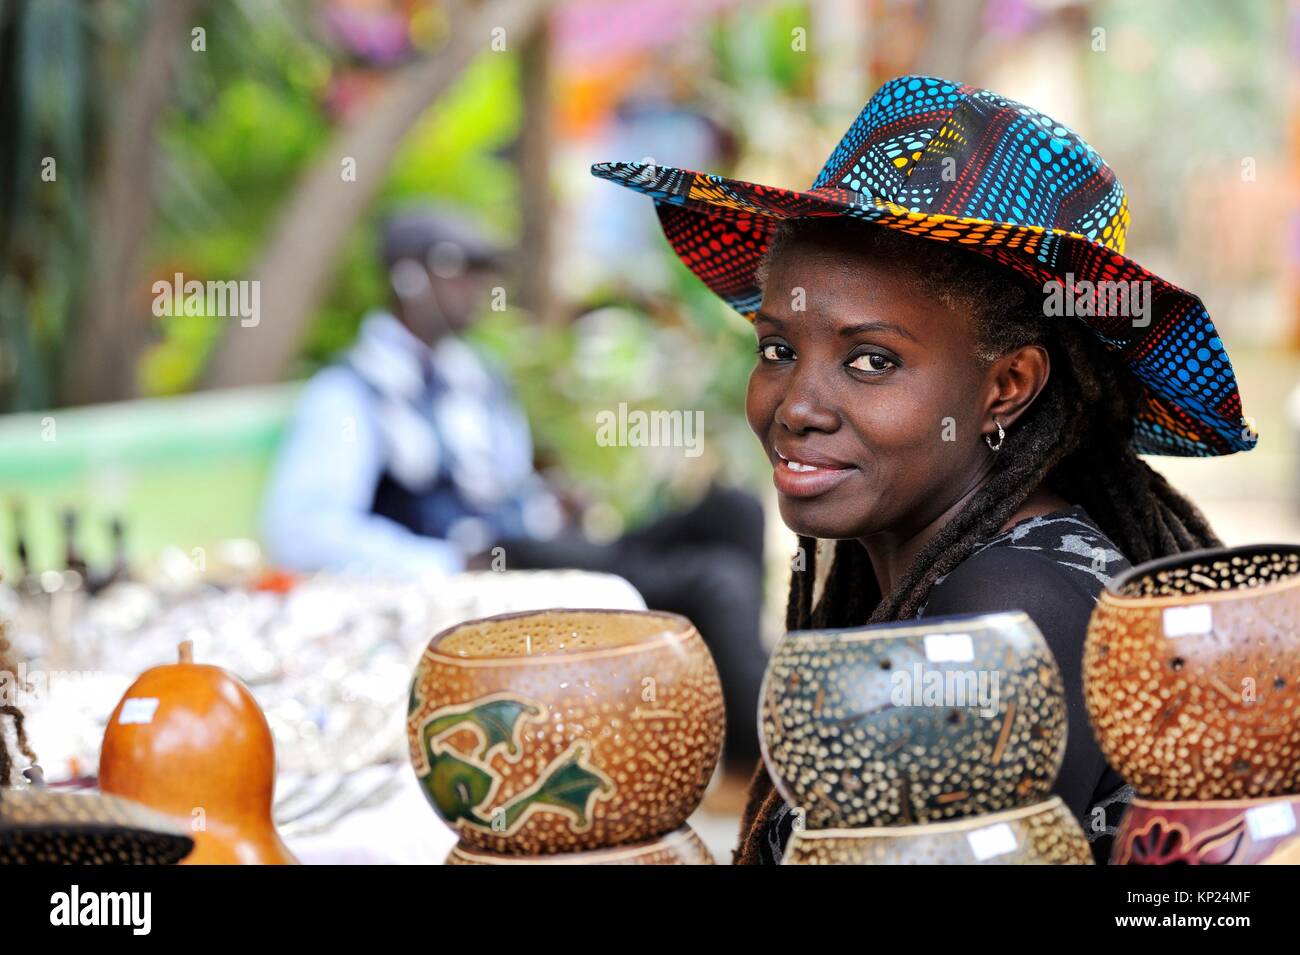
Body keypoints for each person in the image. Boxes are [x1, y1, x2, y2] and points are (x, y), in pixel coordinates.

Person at [593, 75, 1257, 863]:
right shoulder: (972, 570)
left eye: (871, 360)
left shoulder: (1004, 619)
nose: (796, 405)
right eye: (777, 349)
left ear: (1005, 388)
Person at [261, 207, 768, 767]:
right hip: (478, 568)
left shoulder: (476, 378)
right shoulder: (348, 394)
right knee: (715, 582)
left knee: (734, 510)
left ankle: (736, 736)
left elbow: (507, 488)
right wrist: (448, 560)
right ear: (409, 279)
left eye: (483, 271)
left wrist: (552, 501)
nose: (479, 287)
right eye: (461, 270)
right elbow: (304, 530)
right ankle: (754, 762)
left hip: (531, 546)